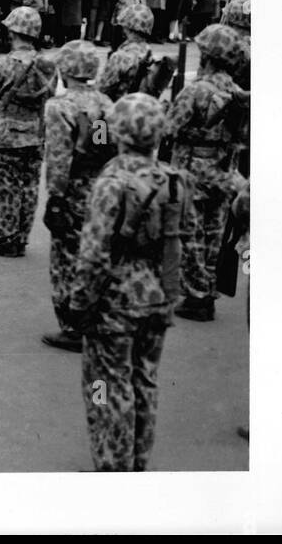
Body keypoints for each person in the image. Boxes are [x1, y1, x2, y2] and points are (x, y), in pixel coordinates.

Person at [62, 93, 193, 471]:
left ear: (117, 131)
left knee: (105, 385)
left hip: (115, 300)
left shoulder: (112, 181)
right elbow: (183, 239)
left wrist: (80, 302)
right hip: (159, 295)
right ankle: (137, 462)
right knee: (145, 381)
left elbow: (94, 251)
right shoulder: (173, 180)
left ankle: (111, 461)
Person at [165, 24, 250, 322]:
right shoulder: (236, 90)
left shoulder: (197, 89)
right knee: (214, 235)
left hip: (193, 171)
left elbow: (169, 127)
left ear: (209, 56)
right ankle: (207, 292)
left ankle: (197, 296)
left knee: (191, 234)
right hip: (224, 169)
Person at [41, 40, 116, 351]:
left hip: (73, 189)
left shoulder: (60, 106)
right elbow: (107, 147)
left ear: (64, 69)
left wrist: (56, 196)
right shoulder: (105, 103)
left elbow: (59, 155)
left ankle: (73, 326)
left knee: (66, 256)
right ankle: (94, 317)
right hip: (102, 188)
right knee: (95, 252)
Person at [0, 6, 57, 257]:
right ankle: (22, 238)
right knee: (29, 187)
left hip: (8, 135)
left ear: (13, 31)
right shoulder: (46, 65)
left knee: (5, 188)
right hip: (35, 133)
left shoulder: (4, 64)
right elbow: (50, 93)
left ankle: (7, 237)